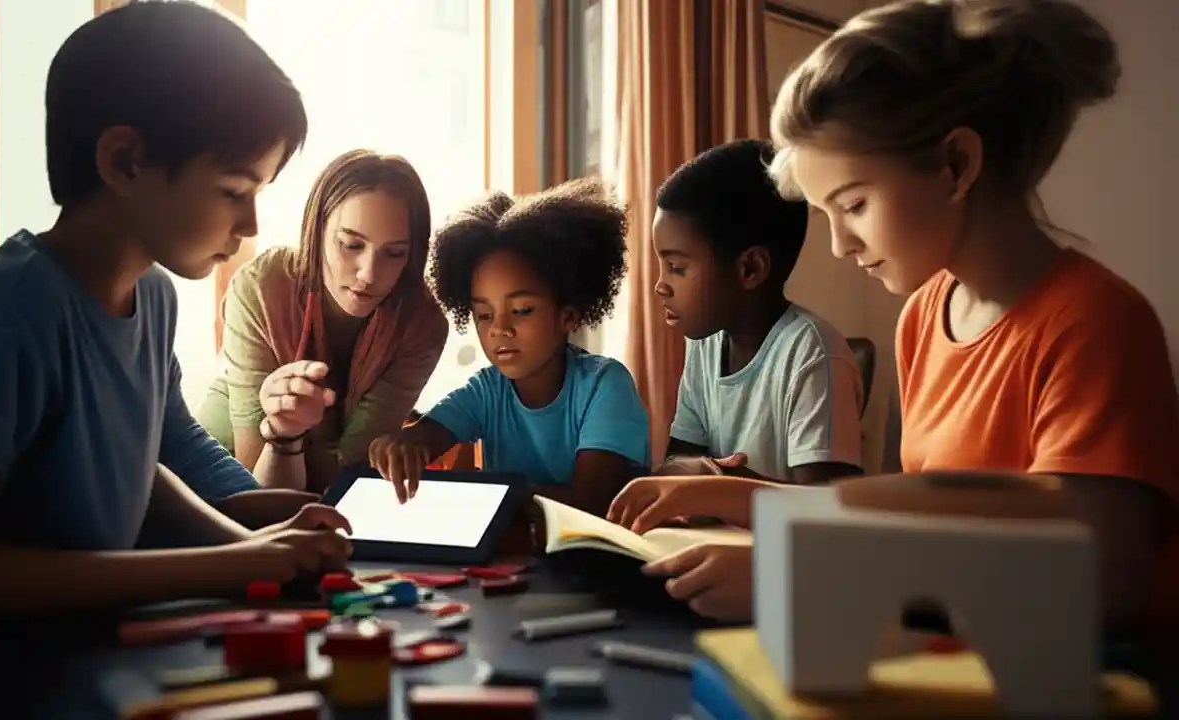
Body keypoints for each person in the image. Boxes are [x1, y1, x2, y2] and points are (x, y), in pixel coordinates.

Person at [641, 0, 1179, 639]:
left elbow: (1100, 576)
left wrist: (803, 573)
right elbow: (918, 517)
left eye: (855, 205)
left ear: (956, 165)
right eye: (827, 215)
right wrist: (733, 496)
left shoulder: (1094, 321)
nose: (840, 245)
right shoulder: (925, 317)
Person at [0, 1, 353, 620]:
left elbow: (150, 465)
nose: (249, 224)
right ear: (125, 162)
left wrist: (254, 538)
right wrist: (231, 563)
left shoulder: (153, 296)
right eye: (233, 191)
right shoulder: (11, 310)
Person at [367, 178, 650, 515]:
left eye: (521, 311)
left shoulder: (605, 385)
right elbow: (425, 436)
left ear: (567, 316)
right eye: (484, 314)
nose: (500, 329)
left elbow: (591, 503)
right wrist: (401, 446)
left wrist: (487, 497)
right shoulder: (487, 391)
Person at [197, 150, 449, 497]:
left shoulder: (421, 323)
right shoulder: (261, 287)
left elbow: (354, 469)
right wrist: (283, 432)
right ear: (315, 232)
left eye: (394, 253)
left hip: (330, 493)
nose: (369, 274)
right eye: (350, 245)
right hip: (221, 465)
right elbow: (254, 483)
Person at [646, 138, 864, 484]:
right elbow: (681, 463)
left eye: (677, 267)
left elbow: (826, 510)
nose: (661, 285)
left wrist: (721, 482)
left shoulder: (813, 355)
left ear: (750, 269)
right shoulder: (705, 345)